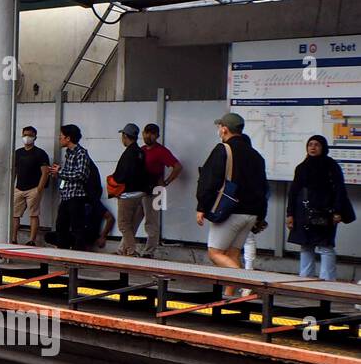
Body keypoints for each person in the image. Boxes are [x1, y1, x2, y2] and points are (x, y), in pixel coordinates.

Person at [195, 112, 268, 294]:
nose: (219, 130)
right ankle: (229, 297)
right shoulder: (256, 155)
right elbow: (263, 187)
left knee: (215, 253)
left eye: (220, 127)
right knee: (232, 254)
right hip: (251, 213)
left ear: (225, 129)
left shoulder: (223, 150)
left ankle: (247, 282)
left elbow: (209, 179)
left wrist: (202, 206)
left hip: (230, 212)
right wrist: (261, 215)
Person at [286, 135, 356, 281]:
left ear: (323, 147)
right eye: (310, 144)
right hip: (303, 213)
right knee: (306, 246)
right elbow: (293, 192)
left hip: (326, 212)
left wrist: (337, 211)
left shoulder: (331, 166)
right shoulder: (302, 167)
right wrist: (290, 214)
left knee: (325, 246)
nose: (313, 147)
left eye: (317, 145)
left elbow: (339, 190)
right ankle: (305, 279)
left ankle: (328, 281)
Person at [48, 124, 99, 251]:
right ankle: (63, 250)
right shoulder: (68, 153)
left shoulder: (81, 153)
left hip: (77, 196)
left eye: (61, 136)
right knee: (61, 225)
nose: (59, 138)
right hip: (66, 195)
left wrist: (60, 173)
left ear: (68, 138)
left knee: (77, 227)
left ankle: (78, 253)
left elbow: (81, 174)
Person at [140, 123, 182, 258]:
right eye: (147, 132)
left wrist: (166, 182)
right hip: (141, 189)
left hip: (157, 190)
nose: (148, 135)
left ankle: (149, 251)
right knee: (134, 219)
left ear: (157, 136)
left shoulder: (161, 151)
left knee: (152, 221)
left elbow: (177, 166)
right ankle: (127, 247)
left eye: (152, 133)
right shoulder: (141, 150)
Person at [111, 123, 151, 257]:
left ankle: (132, 250)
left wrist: (115, 185)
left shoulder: (128, 153)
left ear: (125, 136)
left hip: (127, 194)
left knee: (123, 224)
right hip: (140, 193)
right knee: (132, 224)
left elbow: (122, 175)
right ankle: (124, 250)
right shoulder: (140, 152)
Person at [11, 126, 50, 245]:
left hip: (33, 188)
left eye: (30, 135)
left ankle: (32, 240)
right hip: (18, 188)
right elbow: (14, 170)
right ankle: (13, 239)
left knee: (34, 214)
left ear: (35, 137)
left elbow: (45, 172)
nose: (27, 137)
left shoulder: (40, 153)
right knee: (15, 215)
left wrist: (39, 189)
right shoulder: (18, 152)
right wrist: (12, 186)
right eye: (25, 135)